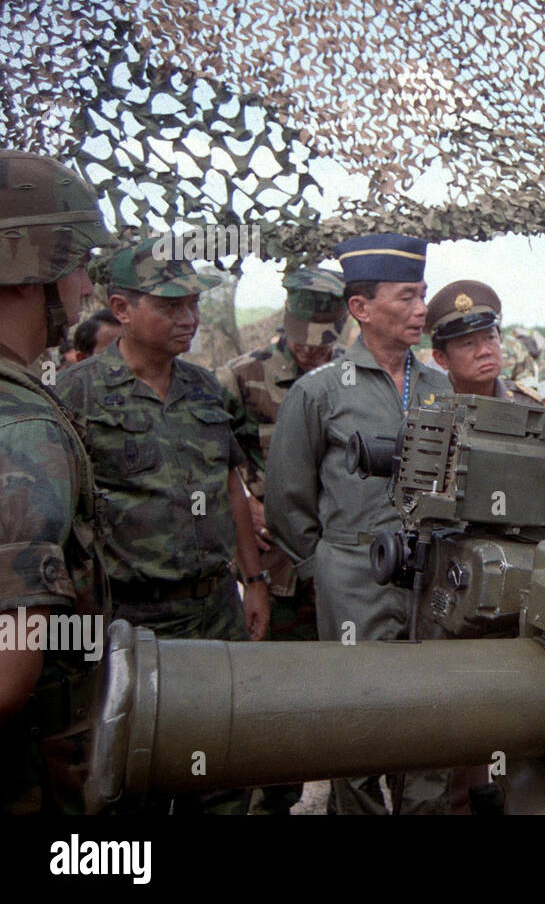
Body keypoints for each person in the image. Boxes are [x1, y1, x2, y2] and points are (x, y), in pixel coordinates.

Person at [58, 236, 270, 812]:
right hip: (129, 621)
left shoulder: (205, 388)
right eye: (170, 306)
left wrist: (253, 583)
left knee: (224, 766)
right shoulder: (76, 395)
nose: (189, 318)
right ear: (123, 309)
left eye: (193, 304)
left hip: (213, 614)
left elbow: (231, 487)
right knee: (133, 773)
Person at [264, 233, 456, 814]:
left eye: (423, 295)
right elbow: (287, 499)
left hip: (431, 575)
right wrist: (325, 566)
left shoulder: (439, 387)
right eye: (406, 297)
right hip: (353, 577)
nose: (422, 309)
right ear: (361, 308)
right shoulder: (319, 391)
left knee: (434, 716)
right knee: (359, 720)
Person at [0, 152, 112, 814]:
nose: (86, 286)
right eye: (75, 262)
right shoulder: (22, 425)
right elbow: (10, 673)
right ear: (28, 266)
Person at [217, 265, 346, 813]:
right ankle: (273, 801)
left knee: (343, 697)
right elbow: (217, 468)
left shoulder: (352, 380)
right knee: (272, 698)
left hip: (337, 565)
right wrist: (248, 505)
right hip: (273, 568)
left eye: (327, 339)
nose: (315, 352)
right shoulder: (242, 378)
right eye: (305, 340)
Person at [426, 280, 543, 404]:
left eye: (490, 338)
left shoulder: (526, 405)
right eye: (468, 343)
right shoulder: (425, 408)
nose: (484, 351)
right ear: (441, 358)